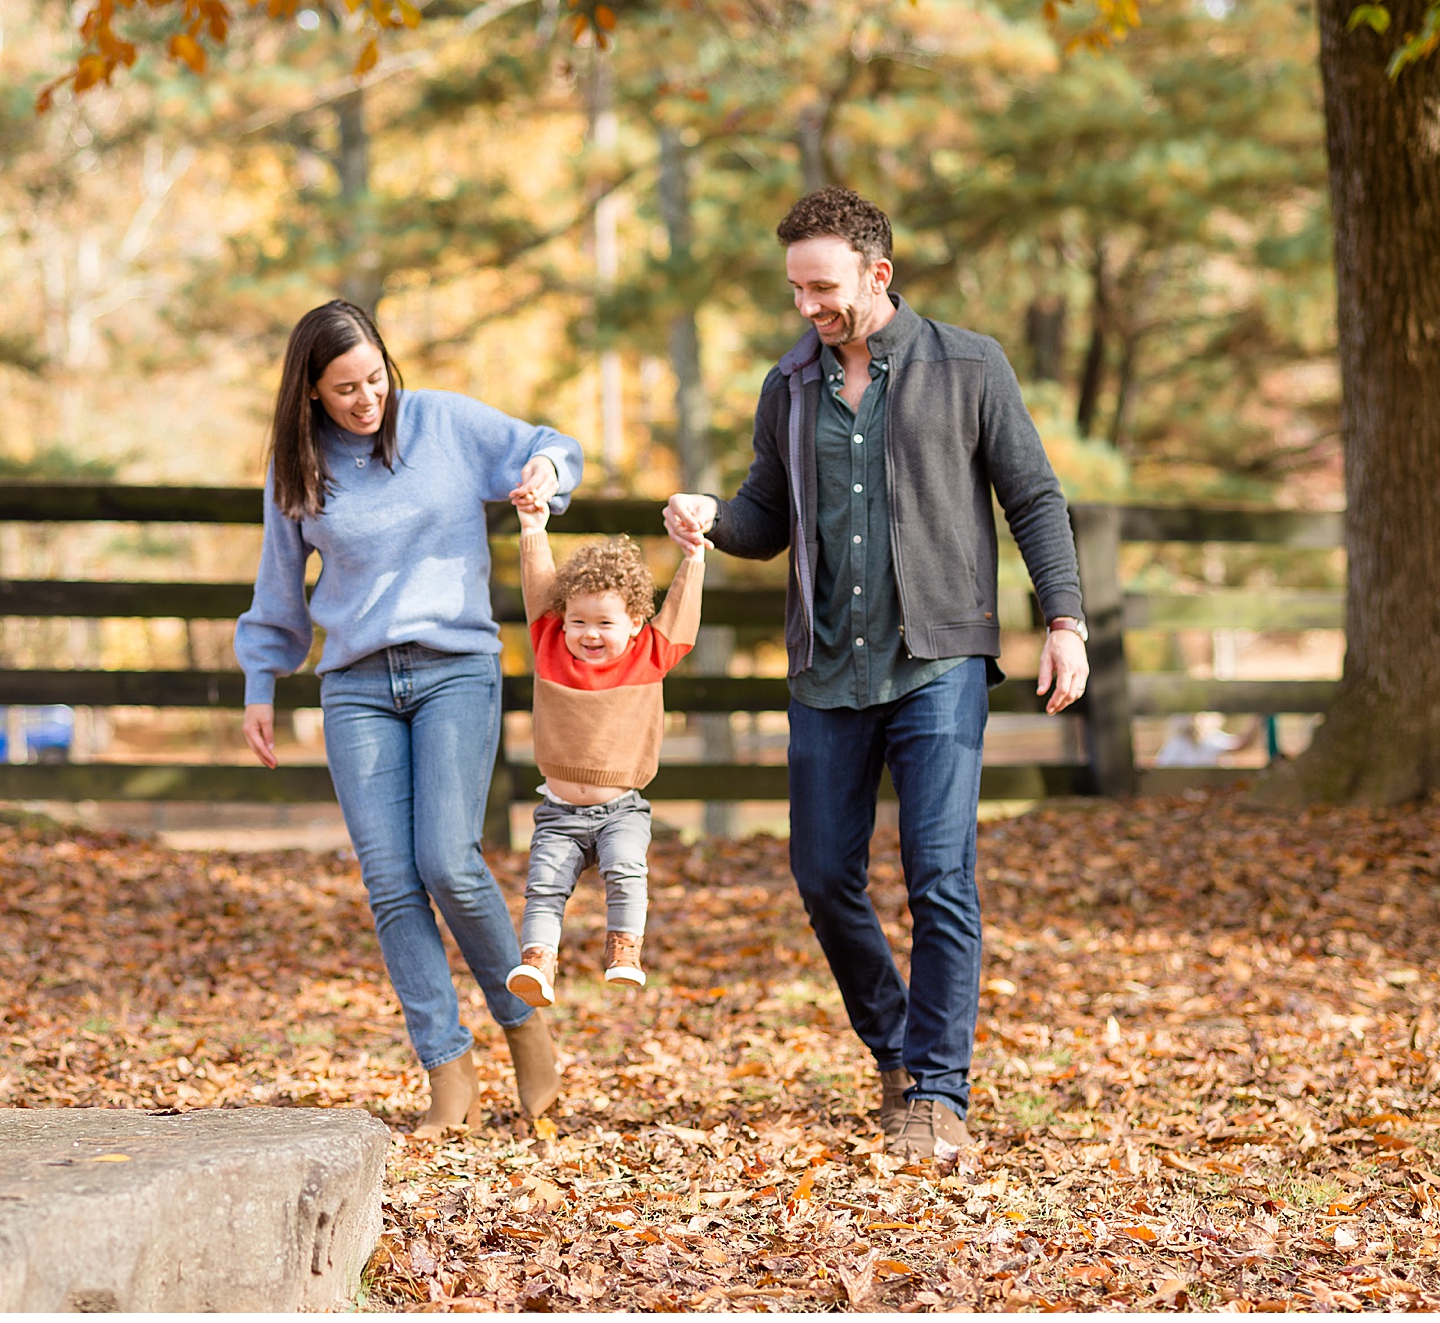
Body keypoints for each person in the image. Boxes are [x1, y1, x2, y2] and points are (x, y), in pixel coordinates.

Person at [662, 187, 1090, 1165]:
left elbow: (1032, 497)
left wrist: (1061, 621)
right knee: (820, 875)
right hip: (826, 666)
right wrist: (708, 517)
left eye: (823, 287)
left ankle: (937, 1091)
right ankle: (896, 1046)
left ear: (876, 275)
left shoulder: (968, 366)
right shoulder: (789, 385)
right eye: (795, 290)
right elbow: (765, 518)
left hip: (936, 659)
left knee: (938, 876)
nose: (807, 306)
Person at [236, 298, 584, 1138]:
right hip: (355, 684)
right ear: (311, 393)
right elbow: (279, 591)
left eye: (375, 380)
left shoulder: (443, 423)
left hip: (454, 668)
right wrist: (260, 682)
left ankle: (524, 1026)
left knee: (447, 860)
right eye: (345, 389)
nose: (367, 401)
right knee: (391, 883)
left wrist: (548, 476)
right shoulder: (299, 469)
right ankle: (448, 1076)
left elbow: (551, 445)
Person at [503, 496, 705, 1008]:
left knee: (625, 869)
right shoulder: (550, 643)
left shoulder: (649, 655)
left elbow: (680, 615)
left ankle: (624, 952)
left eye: (605, 624)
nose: (589, 633)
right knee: (544, 886)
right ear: (561, 620)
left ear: (636, 622)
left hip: (621, 811)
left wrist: (694, 559)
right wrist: (533, 528)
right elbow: (537, 584)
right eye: (579, 622)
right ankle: (537, 961)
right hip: (559, 811)